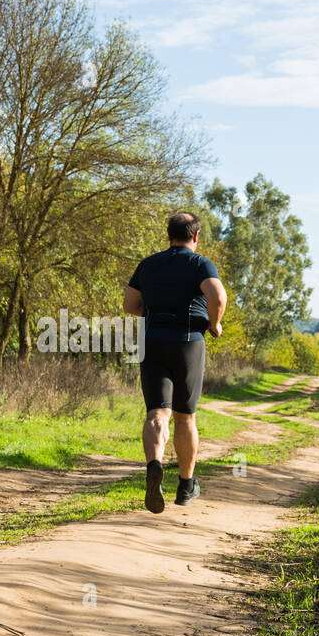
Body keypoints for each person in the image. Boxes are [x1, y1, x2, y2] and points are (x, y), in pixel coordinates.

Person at [123, 211, 227, 513]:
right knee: (185, 417)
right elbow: (217, 296)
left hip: (152, 342)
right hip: (187, 344)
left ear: (168, 234)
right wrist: (214, 323)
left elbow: (130, 305)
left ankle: (154, 464)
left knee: (157, 413)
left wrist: (157, 316)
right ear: (195, 236)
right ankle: (185, 485)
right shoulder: (200, 263)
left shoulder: (149, 264)